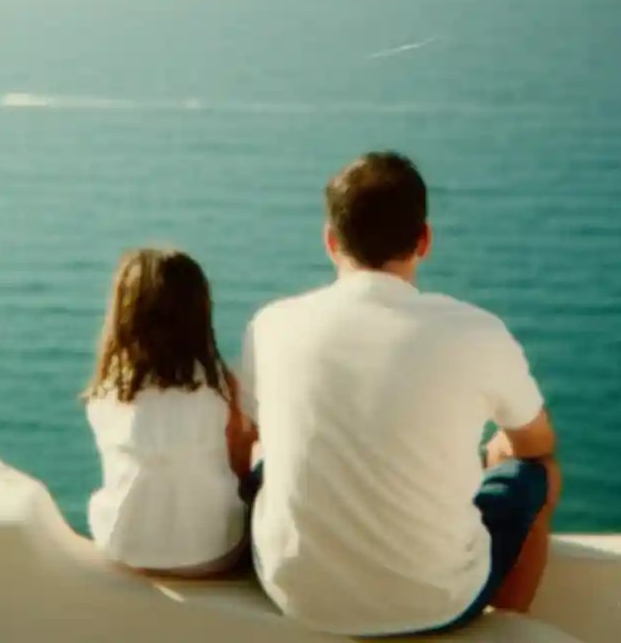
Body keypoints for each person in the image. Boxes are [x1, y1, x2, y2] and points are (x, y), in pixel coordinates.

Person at [240, 151, 561, 636]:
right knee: (538, 474)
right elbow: (537, 443)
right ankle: (505, 628)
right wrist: (496, 452)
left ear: (331, 242)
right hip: (436, 602)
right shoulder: (476, 332)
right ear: (424, 240)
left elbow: (257, 432)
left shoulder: (272, 324)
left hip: (296, 593)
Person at [84, 247, 259, 577]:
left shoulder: (107, 390)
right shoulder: (221, 385)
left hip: (121, 546)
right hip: (212, 554)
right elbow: (238, 468)